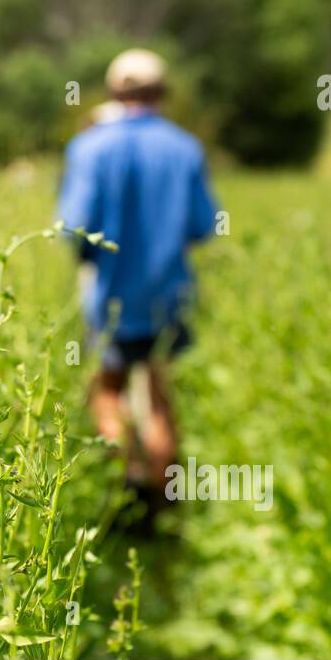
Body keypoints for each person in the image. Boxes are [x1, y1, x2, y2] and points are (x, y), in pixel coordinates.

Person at [57, 48, 219, 522]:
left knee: (108, 390)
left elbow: (72, 227)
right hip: (167, 295)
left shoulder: (88, 148)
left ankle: (130, 484)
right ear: (162, 93)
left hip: (109, 297)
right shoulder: (184, 147)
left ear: (113, 94)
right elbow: (204, 224)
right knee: (159, 392)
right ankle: (166, 507)